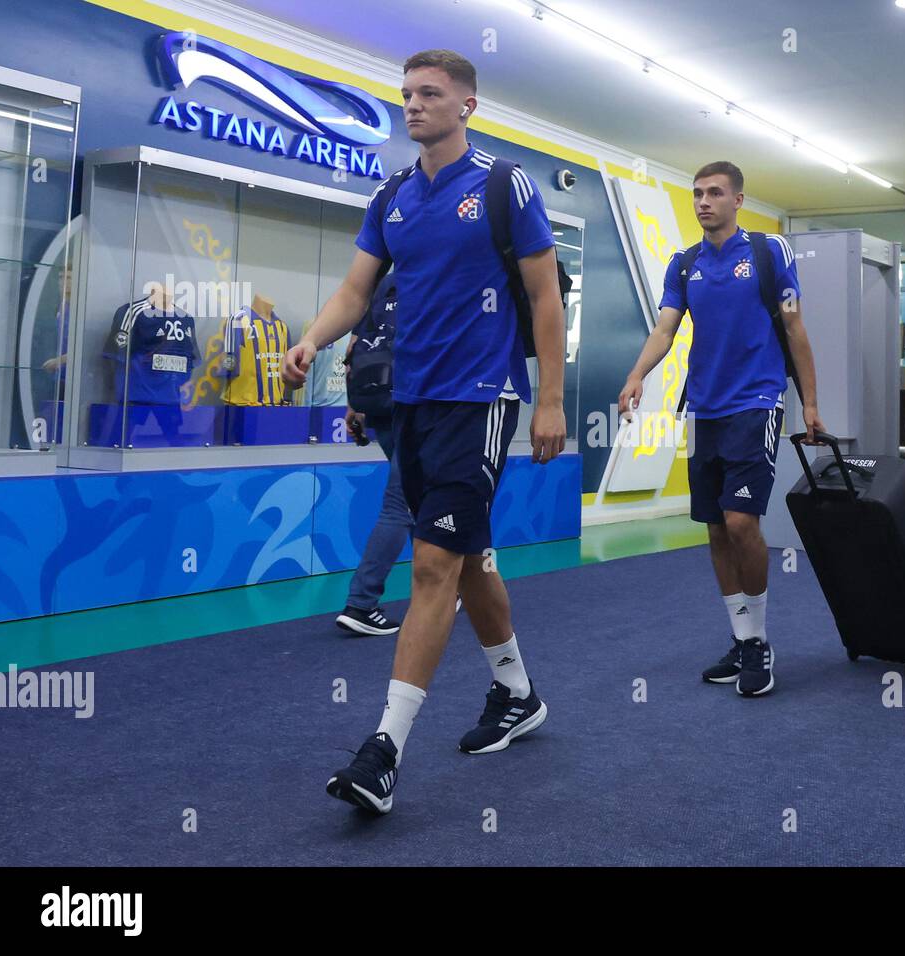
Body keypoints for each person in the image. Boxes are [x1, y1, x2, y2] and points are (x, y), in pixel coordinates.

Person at [282, 49, 567, 815]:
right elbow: (357, 290)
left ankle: (384, 750)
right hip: (410, 402)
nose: (412, 104)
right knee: (467, 558)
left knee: (435, 561)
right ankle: (517, 693)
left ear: (466, 105)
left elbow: (545, 296)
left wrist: (550, 399)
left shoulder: (504, 185)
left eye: (429, 93)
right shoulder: (393, 195)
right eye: (406, 93)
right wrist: (313, 341)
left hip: (480, 398)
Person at [618, 160, 823, 697]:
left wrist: (811, 402)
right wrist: (637, 375)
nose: (704, 202)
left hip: (757, 401)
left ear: (738, 200)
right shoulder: (684, 264)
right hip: (703, 408)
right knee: (714, 527)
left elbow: (794, 326)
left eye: (714, 193)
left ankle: (759, 643)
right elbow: (665, 329)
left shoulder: (769, 251)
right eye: (697, 194)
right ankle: (742, 637)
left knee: (740, 522)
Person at [333, 274, 414, 637]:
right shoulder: (433, 275)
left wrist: (354, 405)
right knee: (401, 505)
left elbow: (355, 347)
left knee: (418, 499)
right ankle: (361, 602)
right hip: (413, 402)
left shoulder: (386, 285)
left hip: (377, 402)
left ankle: (445, 583)